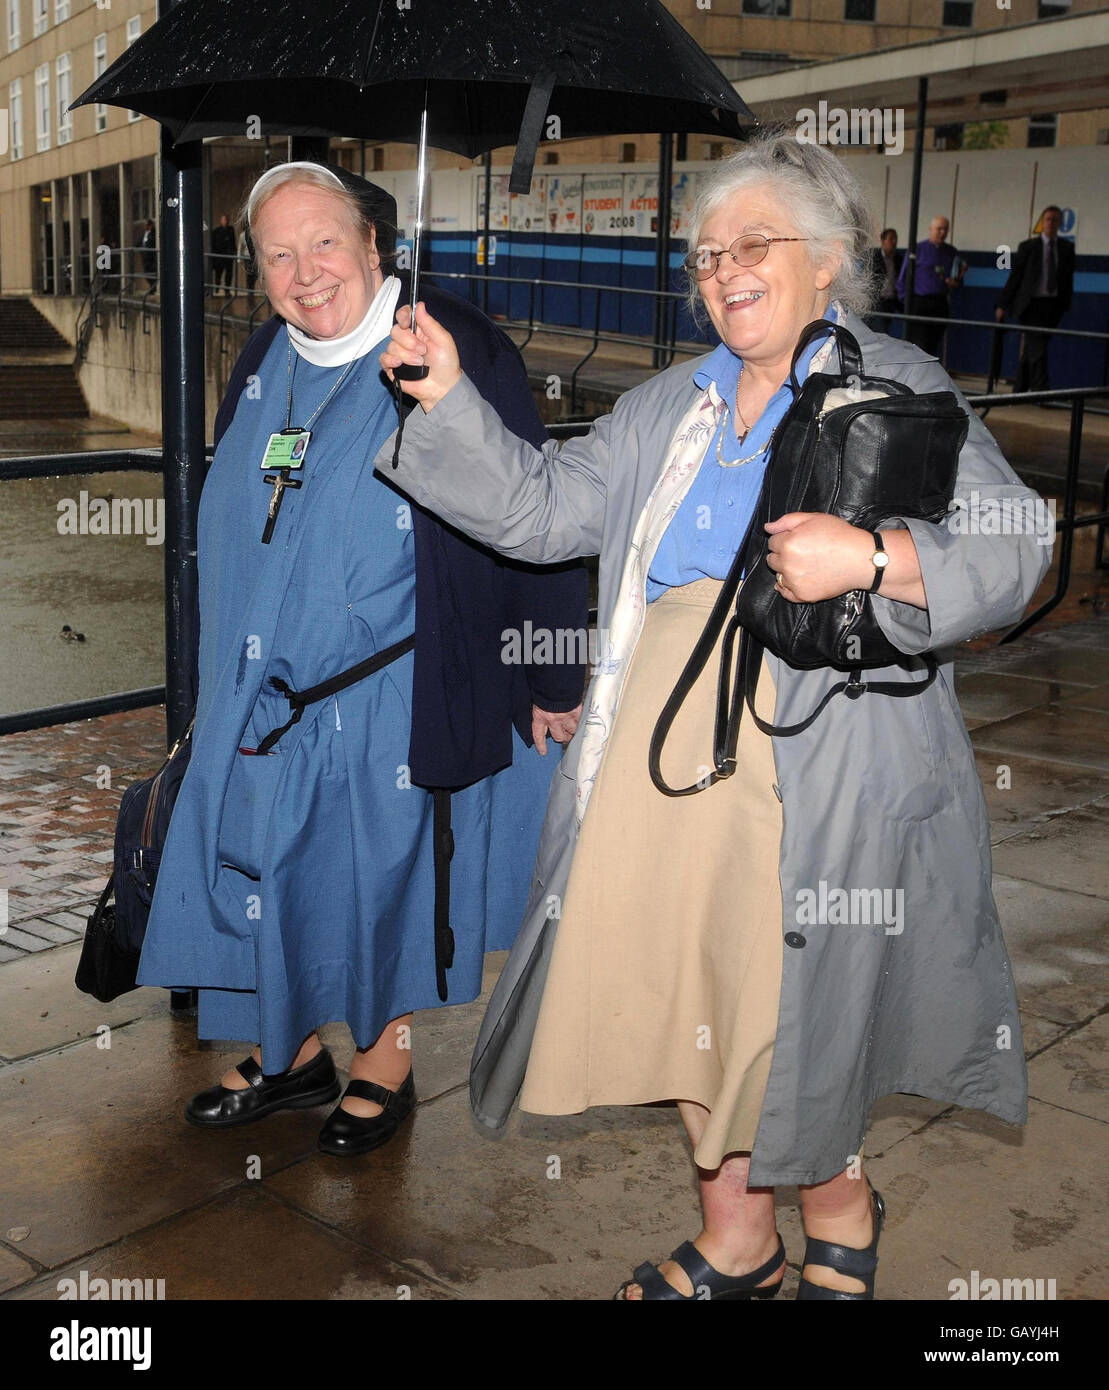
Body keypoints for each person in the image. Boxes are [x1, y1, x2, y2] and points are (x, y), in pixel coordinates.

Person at [378, 131, 1049, 1300]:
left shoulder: (900, 388)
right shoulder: (665, 406)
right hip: (655, 756)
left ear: (826, 259)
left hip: (816, 757)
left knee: (787, 1010)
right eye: (703, 255)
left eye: (751, 244)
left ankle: (836, 1208)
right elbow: (541, 510)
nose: (723, 270)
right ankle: (737, 1235)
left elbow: (1018, 542)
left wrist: (872, 556)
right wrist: (446, 397)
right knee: (681, 998)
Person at [137, 161, 587, 1159]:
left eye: (324, 244)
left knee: (379, 876)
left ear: (373, 244)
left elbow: (540, 512)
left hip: (391, 689)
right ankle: (290, 1055)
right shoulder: (266, 352)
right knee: (263, 866)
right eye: (277, 256)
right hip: (262, 696)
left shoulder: (447, 342)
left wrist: (553, 672)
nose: (305, 274)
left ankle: (385, 1062)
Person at [996, 205, 1075, 394]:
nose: (1051, 223)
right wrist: (1003, 304)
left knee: (1034, 348)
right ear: (1042, 222)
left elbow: (1067, 278)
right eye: (1048, 219)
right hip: (1030, 305)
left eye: (1055, 220)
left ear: (1060, 223)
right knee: (1037, 348)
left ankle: (1019, 388)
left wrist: (1065, 303)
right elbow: (1015, 276)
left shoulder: (1066, 248)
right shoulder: (1028, 247)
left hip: (1053, 305)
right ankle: (1041, 390)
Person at [896, 214, 965, 358]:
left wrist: (956, 283)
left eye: (945, 229)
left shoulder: (951, 252)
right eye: (939, 229)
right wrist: (906, 303)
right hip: (919, 303)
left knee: (933, 344)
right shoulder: (917, 249)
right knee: (919, 344)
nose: (942, 232)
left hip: (940, 303)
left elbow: (959, 278)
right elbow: (902, 279)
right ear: (930, 229)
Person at [867, 226, 902, 333]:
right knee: (880, 329)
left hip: (891, 300)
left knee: (887, 328)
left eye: (895, 239)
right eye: (891, 239)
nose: (894, 242)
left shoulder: (898, 259)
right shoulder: (874, 257)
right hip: (878, 300)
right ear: (883, 240)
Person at [210, 212, 237, 296]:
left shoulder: (231, 229)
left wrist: (233, 252)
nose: (225, 221)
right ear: (221, 221)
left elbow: (233, 242)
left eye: (226, 220)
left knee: (229, 275)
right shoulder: (216, 231)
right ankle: (216, 288)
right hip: (219, 256)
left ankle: (227, 291)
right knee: (218, 273)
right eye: (224, 220)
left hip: (228, 256)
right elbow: (213, 244)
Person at [238, 223, 257, 294]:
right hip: (247, 256)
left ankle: (251, 288)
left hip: (255, 257)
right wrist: (239, 258)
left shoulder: (255, 234)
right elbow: (240, 247)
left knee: (255, 273)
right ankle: (250, 290)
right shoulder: (242, 235)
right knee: (249, 274)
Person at [139, 219, 157, 290]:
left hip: (151, 256)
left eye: (147, 225)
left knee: (152, 272)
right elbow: (139, 242)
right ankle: (151, 286)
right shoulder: (144, 233)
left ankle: (153, 288)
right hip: (145, 257)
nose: (145, 227)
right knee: (146, 272)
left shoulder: (153, 233)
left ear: (150, 225)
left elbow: (153, 241)